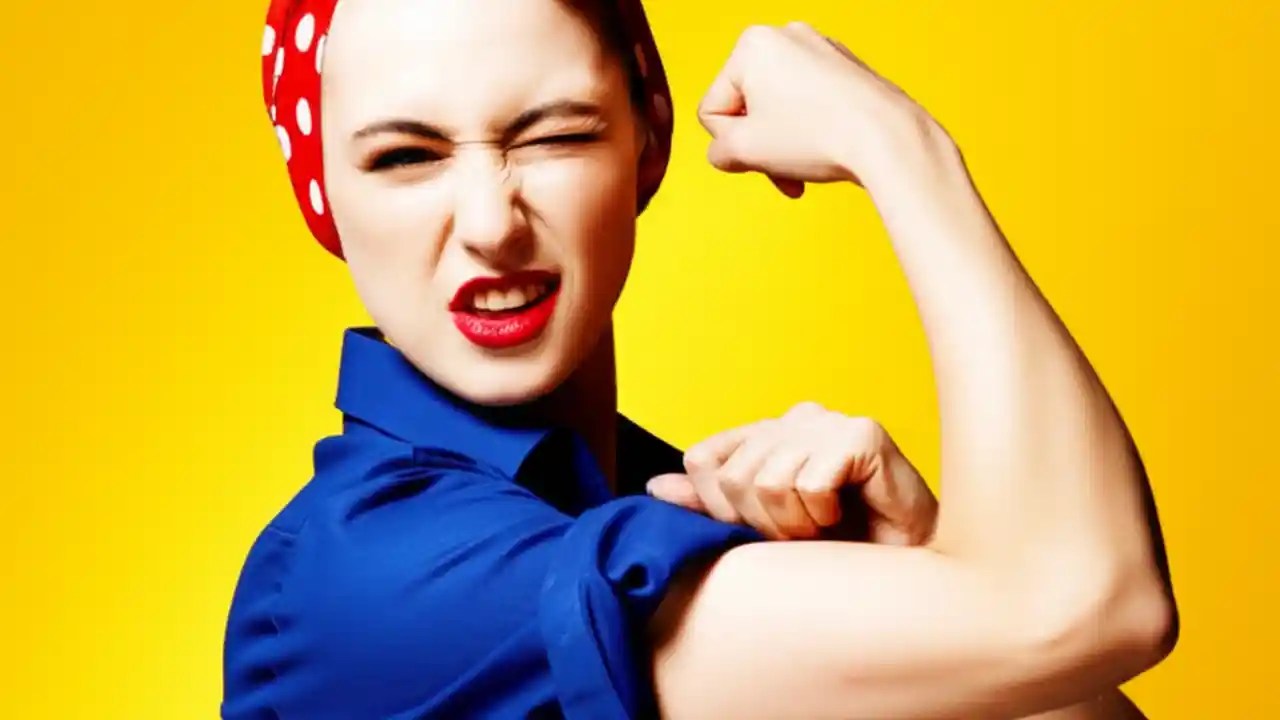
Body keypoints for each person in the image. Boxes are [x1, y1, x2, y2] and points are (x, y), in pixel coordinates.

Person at [222, 0, 1178, 717]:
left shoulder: (653, 507)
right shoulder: (372, 582)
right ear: (324, 197)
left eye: (555, 135)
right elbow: (1098, 606)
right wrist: (899, 145)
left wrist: (918, 557)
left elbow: (1070, 648)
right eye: (403, 158)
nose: (489, 225)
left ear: (649, 136)